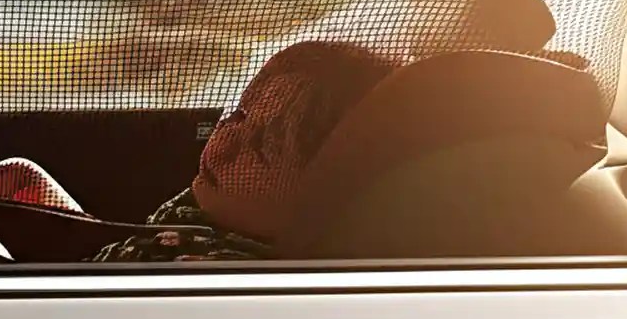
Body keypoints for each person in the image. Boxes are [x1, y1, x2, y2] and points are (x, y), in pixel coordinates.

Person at [90, 40, 397, 262]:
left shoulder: (218, 272)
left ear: (327, 193)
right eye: (239, 117)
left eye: (264, 147)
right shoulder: (211, 212)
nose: (225, 142)